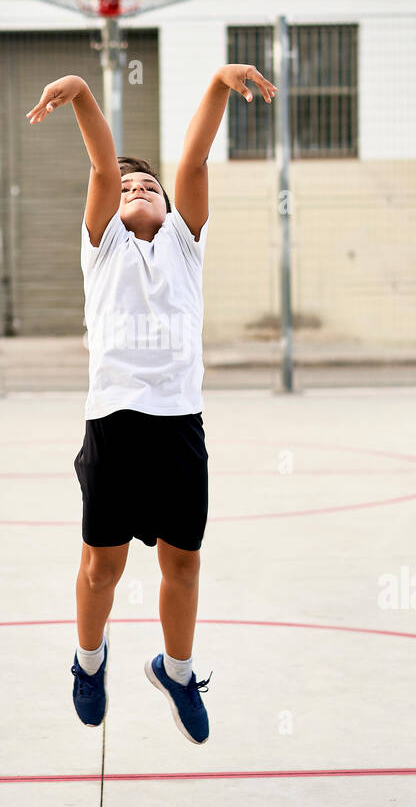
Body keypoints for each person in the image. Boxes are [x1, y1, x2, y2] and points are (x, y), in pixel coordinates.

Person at [25, 64, 277, 744]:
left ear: (169, 207)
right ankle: (88, 660)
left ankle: (178, 668)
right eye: (129, 186)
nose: (137, 188)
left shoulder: (184, 245)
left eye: (150, 186)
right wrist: (78, 90)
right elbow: (103, 167)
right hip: (112, 426)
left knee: (183, 563)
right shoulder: (102, 246)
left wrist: (221, 84)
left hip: (177, 429)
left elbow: (193, 156)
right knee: (101, 568)